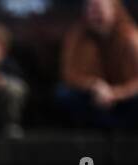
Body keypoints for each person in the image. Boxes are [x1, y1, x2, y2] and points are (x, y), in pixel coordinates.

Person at [56, 0, 138, 130]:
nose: (95, 15)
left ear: (114, 10)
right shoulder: (77, 36)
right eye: (91, 10)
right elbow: (69, 74)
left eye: (99, 10)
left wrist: (115, 94)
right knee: (64, 94)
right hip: (94, 97)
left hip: (123, 97)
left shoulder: (130, 37)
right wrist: (94, 85)